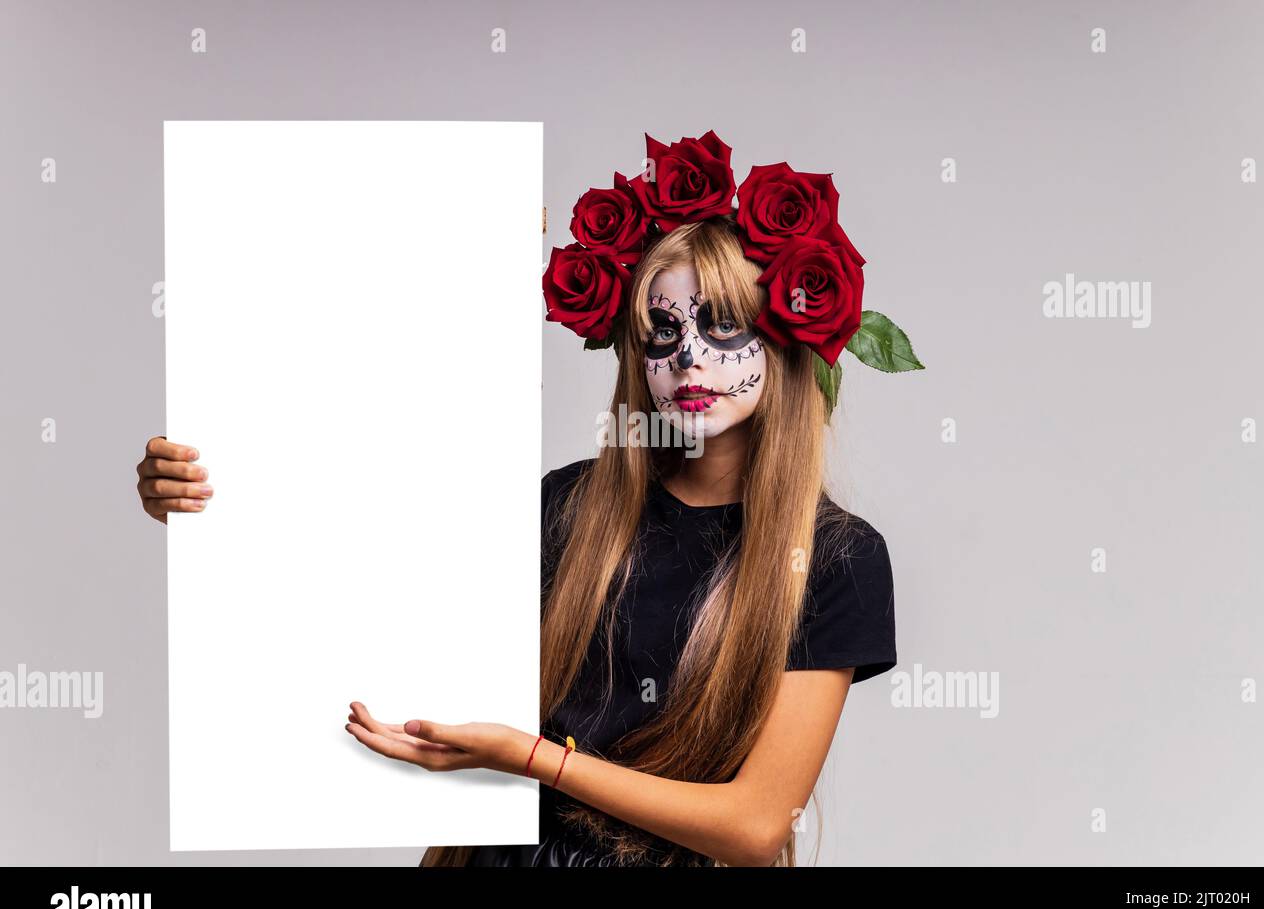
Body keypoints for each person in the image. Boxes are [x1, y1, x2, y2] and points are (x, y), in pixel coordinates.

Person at [135, 131, 922, 866]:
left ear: (784, 338)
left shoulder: (837, 559)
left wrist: (536, 760)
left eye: (721, 327)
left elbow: (755, 828)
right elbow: (371, 548)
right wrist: (212, 492)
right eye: (660, 331)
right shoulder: (569, 506)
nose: (687, 357)